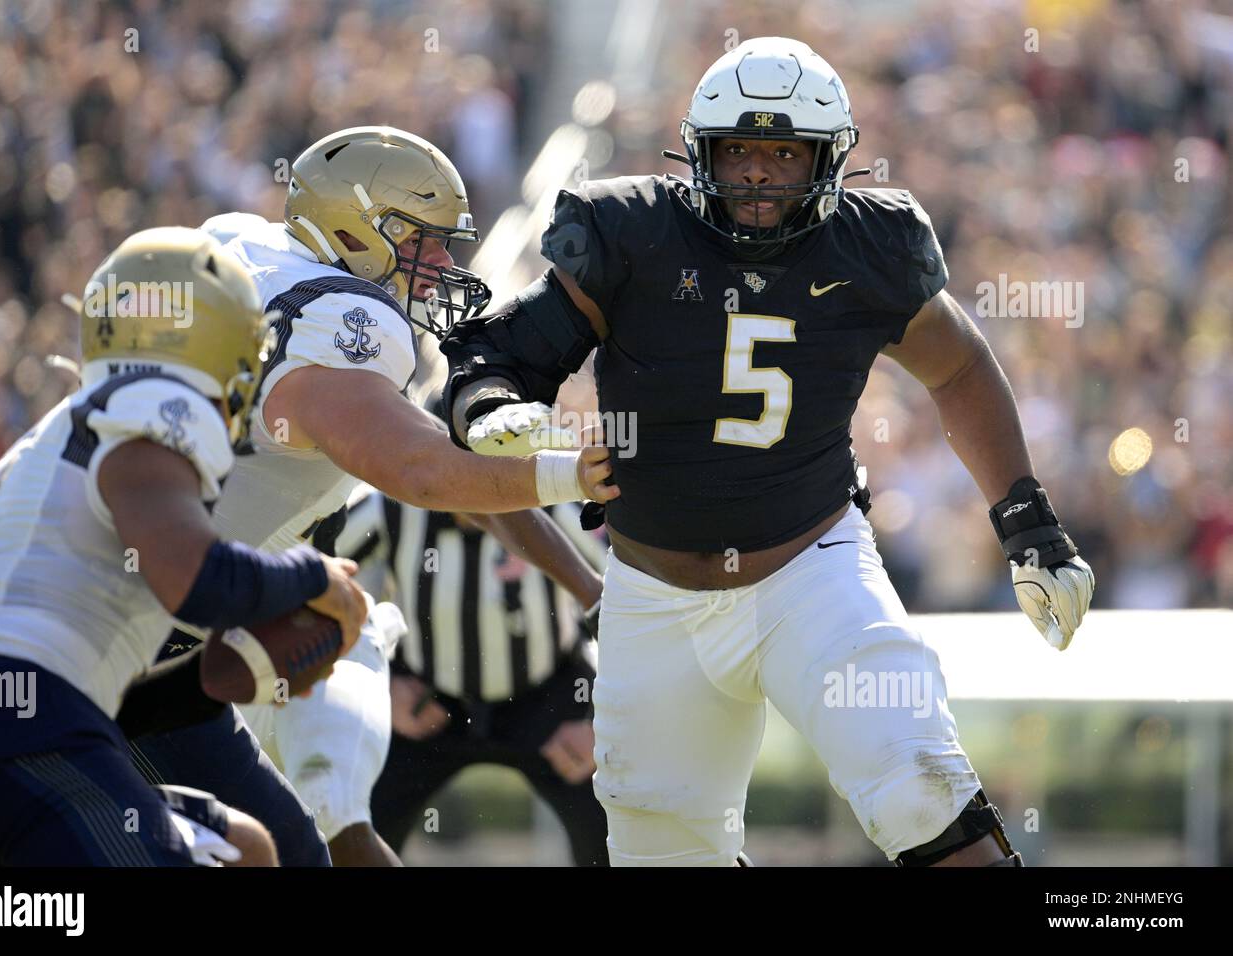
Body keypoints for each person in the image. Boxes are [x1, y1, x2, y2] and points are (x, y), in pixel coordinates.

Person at [440, 37, 1096, 867]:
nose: (756, 172)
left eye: (782, 152)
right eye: (739, 150)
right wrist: (491, 402)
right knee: (665, 853)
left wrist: (1026, 520)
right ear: (701, 153)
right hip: (652, 595)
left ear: (825, 159)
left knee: (919, 784)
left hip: (811, 574)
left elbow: (960, 364)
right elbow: (503, 354)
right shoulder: (633, 232)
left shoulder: (871, 245)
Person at [128, 127, 618, 867]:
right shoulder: (346, 322)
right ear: (356, 233)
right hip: (130, 634)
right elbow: (422, 472)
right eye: (426, 242)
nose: (446, 264)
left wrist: (586, 587)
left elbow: (449, 479)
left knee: (292, 839)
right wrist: (565, 475)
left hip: (167, 608)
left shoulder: (249, 245)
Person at [0, 227, 366, 865]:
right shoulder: (154, 407)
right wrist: (310, 580)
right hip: (9, 734)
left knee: (246, 849)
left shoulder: (90, 428)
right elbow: (199, 579)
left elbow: (109, 700)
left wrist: (218, 677)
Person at [334, 480, 610, 866]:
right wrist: (378, 684)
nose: (476, 474)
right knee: (345, 824)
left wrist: (597, 718)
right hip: (423, 702)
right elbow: (313, 584)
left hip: (549, 701)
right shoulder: (387, 507)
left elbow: (634, 600)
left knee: (616, 826)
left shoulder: (558, 507)